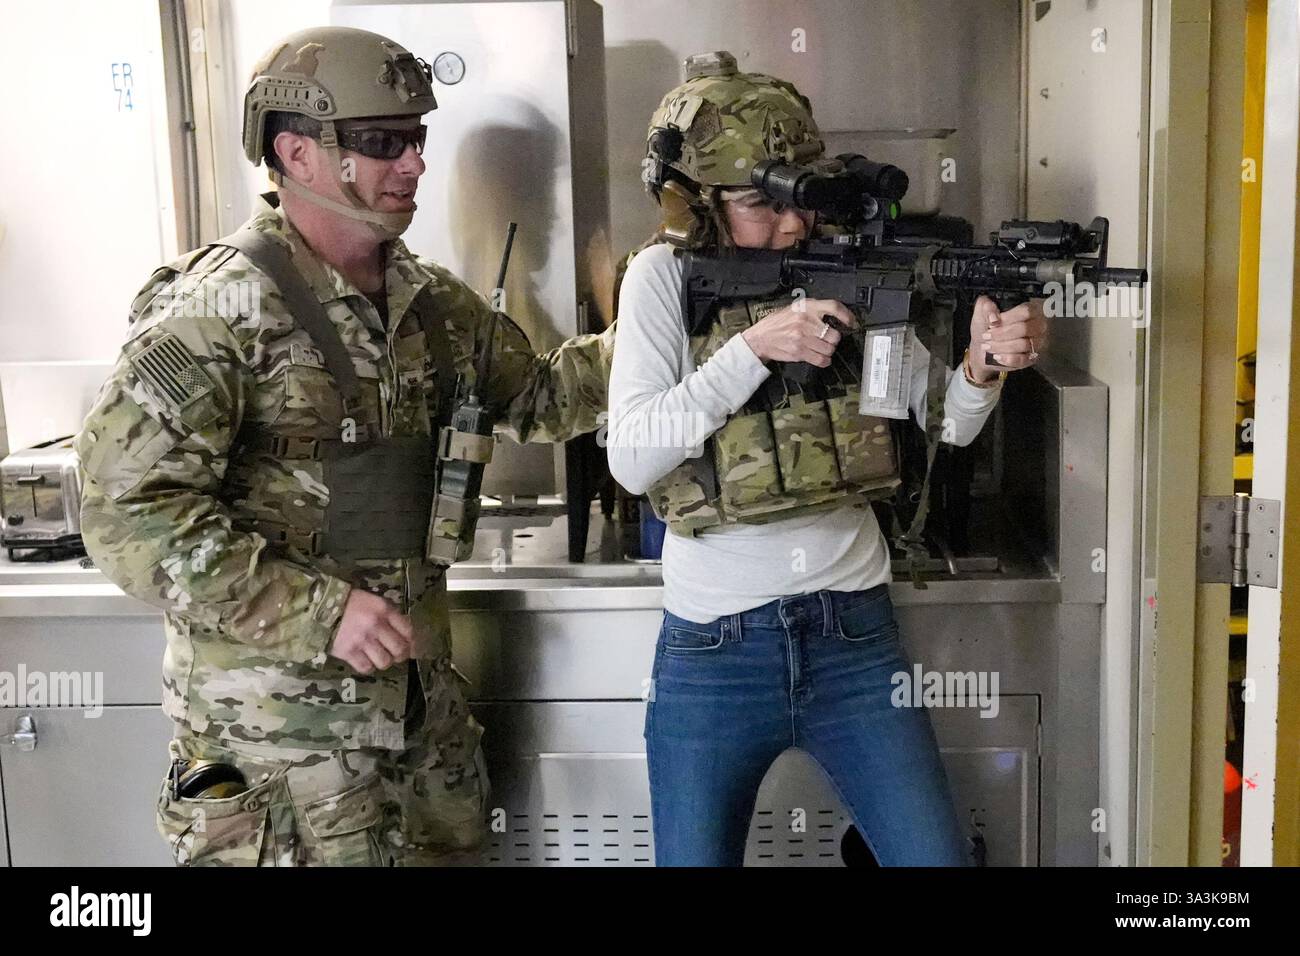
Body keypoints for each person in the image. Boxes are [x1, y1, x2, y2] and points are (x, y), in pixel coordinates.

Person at [77, 25, 613, 866]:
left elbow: (542, 397)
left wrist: (673, 315)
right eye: (381, 142)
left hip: (420, 737)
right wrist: (318, 611)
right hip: (282, 756)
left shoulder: (430, 303)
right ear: (296, 154)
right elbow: (125, 512)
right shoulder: (220, 310)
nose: (414, 164)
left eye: (416, 139)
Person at [606, 51, 1048, 866]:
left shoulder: (852, 273)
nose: (789, 225)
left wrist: (985, 365)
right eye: (756, 204)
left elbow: (943, 421)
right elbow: (631, 459)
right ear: (693, 205)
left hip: (855, 638)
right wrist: (750, 351)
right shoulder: (661, 280)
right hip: (714, 657)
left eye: (794, 201)